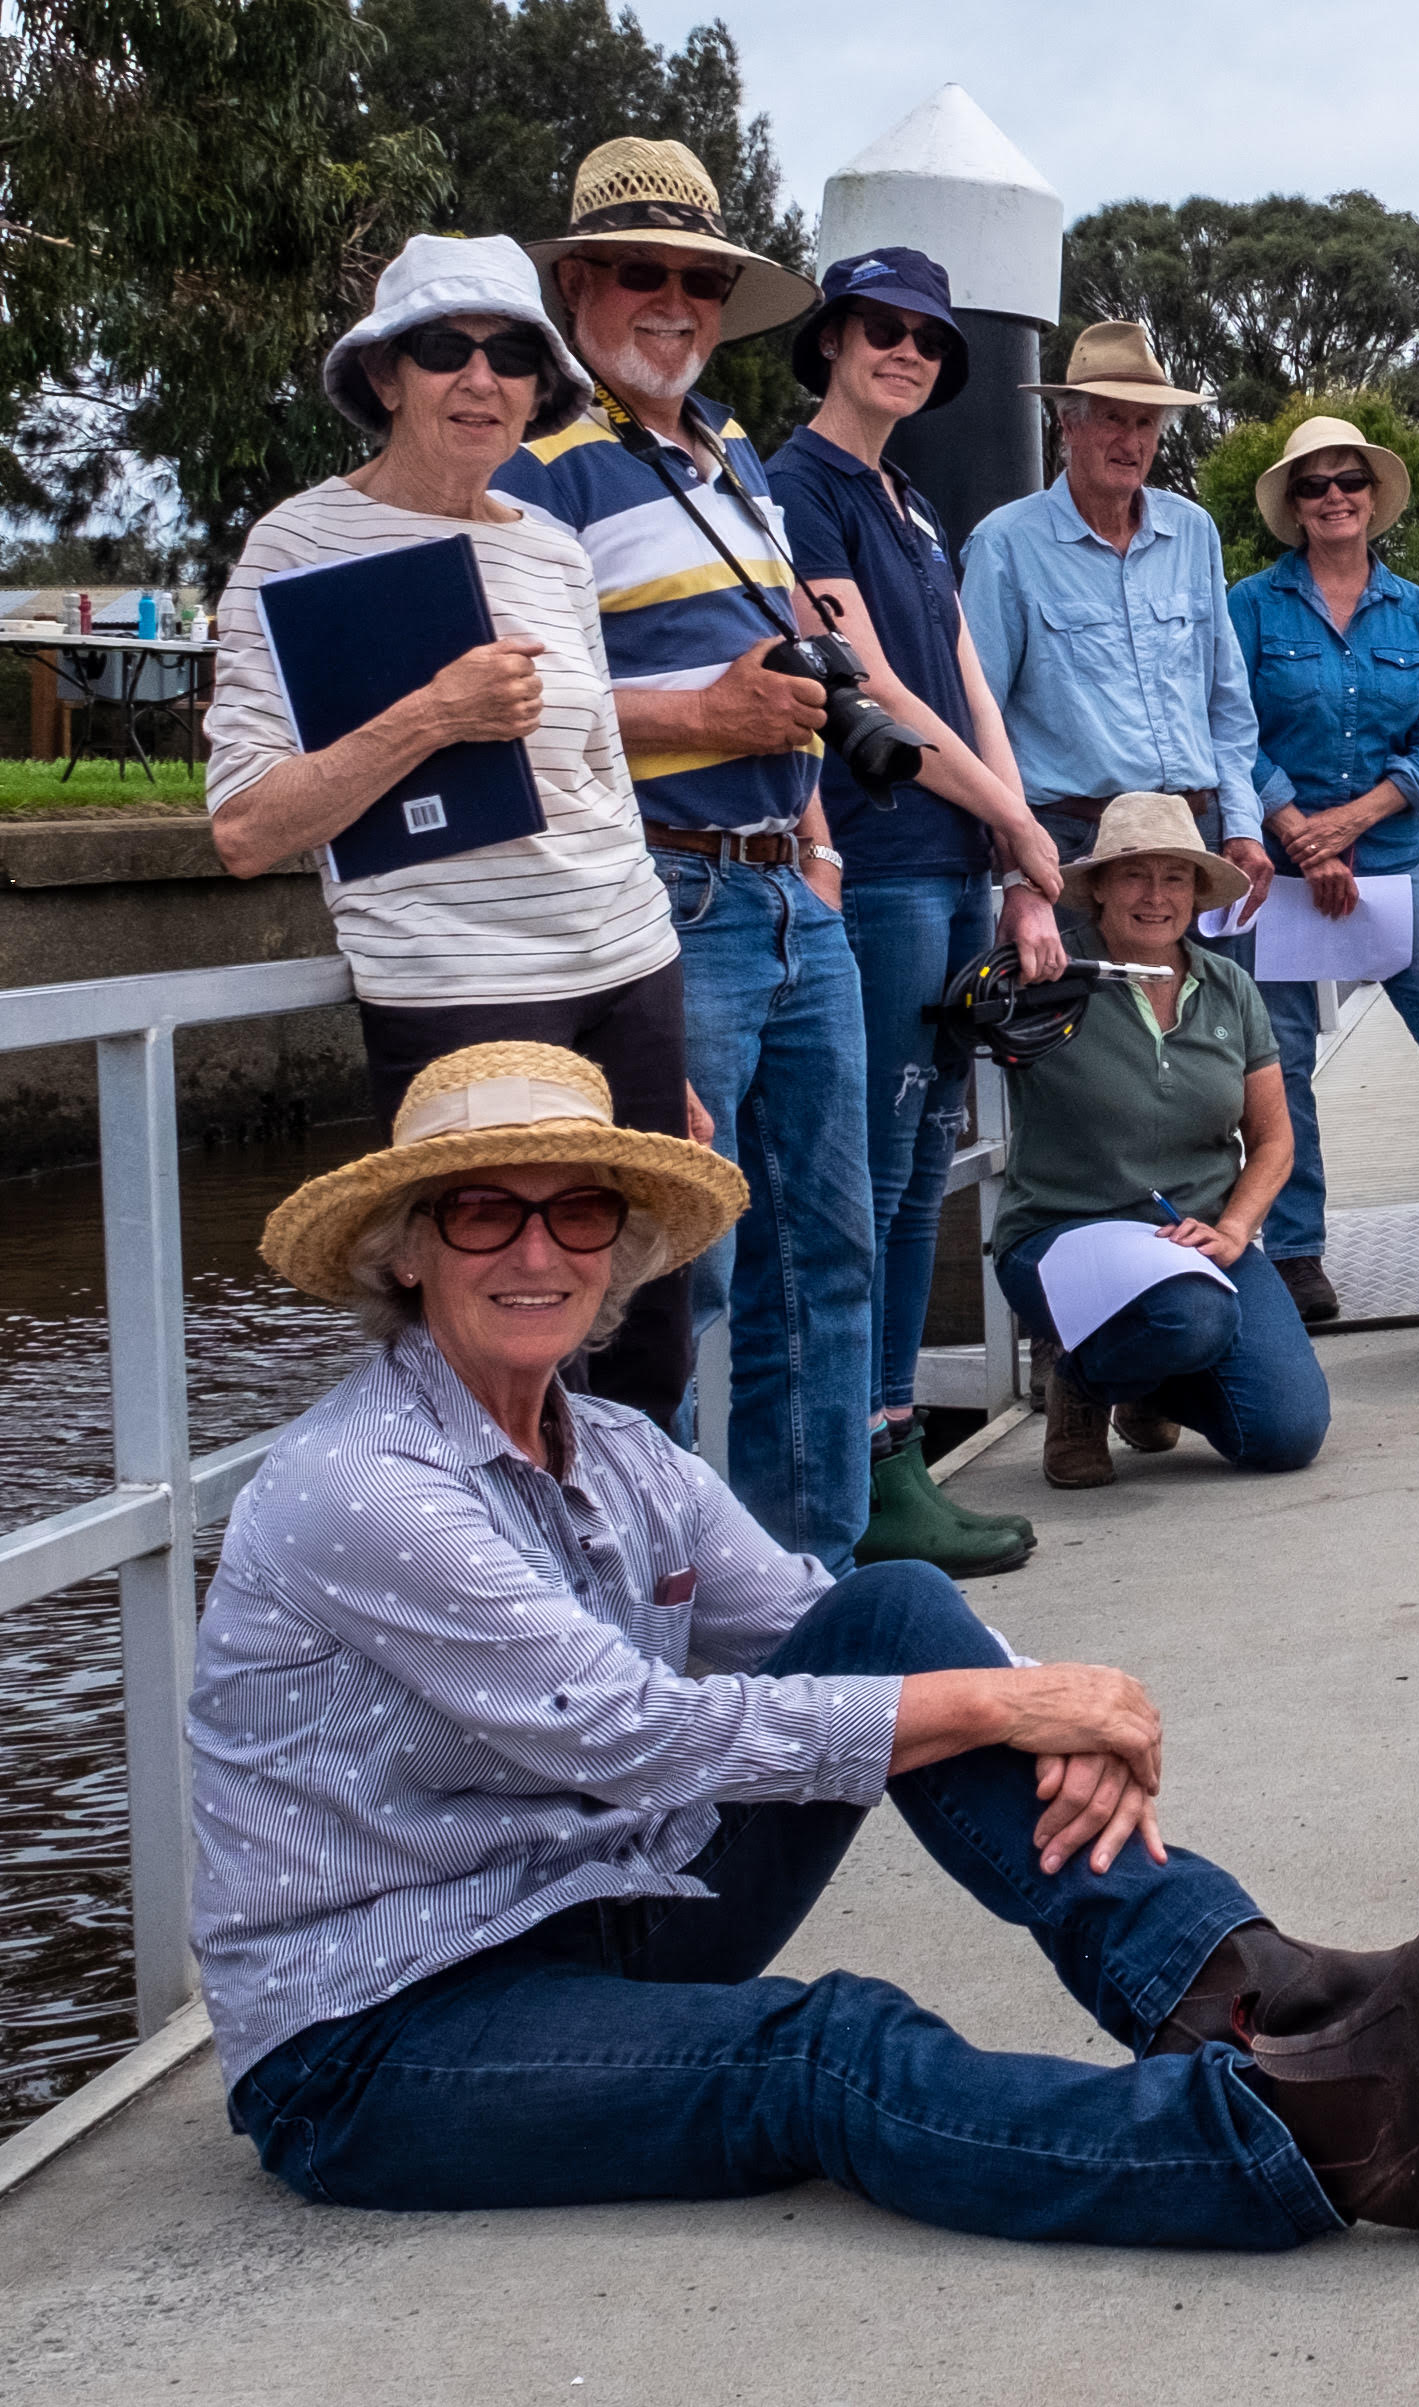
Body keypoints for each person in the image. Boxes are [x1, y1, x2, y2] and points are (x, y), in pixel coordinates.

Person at [197, 1041, 1419, 2245]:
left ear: (616, 1249)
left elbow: (812, 1618)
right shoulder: (365, 1486)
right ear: (408, 1252)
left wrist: (1033, 1700)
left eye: (578, 1210)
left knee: (890, 1609)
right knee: (823, 2050)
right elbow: (629, 1730)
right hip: (378, 2031)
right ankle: (1323, 2135)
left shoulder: (616, 1450)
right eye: (485, 1211)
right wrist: (1011, 1708)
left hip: (595, 1902)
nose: (535, 1249)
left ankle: (1268, 2003)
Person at [203, 232, 696, 1423]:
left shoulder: (552, 550)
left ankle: (631, 1550)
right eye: (444, 349)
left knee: (647, 1341)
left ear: (541, 386)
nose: (481, 379)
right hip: (459, 991)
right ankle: (491, 1554)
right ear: (386, 376)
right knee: (495, 1349)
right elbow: (246, 828)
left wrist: (660, 1053)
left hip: (627, 974)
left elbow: (602, 782)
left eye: (513, 356)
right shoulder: (296, 545)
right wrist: (434, 715)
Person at [490, 136, 871, 1575]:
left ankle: (808, 1586)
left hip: (786, 889)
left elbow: (782, 670)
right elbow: (512, 696)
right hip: (671, 887)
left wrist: (817, 846)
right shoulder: (538, 470)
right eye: (640, 272)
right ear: (576, 286)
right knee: (670, 1278)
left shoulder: (731, 454)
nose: (674, 302)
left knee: (827, 1255)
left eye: (700, 280)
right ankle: (643, 1594)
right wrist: (702, 715)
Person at [767, 246, 1067, 1578]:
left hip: (951, 859)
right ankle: (865, 1465)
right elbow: (870, 682)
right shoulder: (796, 490)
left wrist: (1013, 838)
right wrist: (1015, 819)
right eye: (882, 328)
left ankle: (892, 1451)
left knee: (922, 1167)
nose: (907, 351)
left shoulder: (909, 500)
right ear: (832, 338)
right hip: (880, 860)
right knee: (875, 1173)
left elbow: (958, 667)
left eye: (930, 338)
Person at [986, 794, 1329, 1489]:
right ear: (1098, 888)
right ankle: (1083, 1383)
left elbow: (1273, 1140)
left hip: (1195, 1237)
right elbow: (968, 1003)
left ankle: (1142, 1379)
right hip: (1065, 1232)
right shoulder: (1047, 975)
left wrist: (1234, 1230)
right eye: (1134, 875)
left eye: (1175, 878)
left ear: (1197, 893)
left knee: (1286, 1434)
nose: (1155, 896)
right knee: (1192, 1317)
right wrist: (1016, 910)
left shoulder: (1229, 985)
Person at [1225, 414, 1419, 1325]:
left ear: (1373, 497)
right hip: (1276, 870)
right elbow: (1229, 725)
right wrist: (1295, 830)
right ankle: (1294, 1251)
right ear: (1293, 505)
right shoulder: (1249, 605)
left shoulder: (1418, 611)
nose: (1334, 497)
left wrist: (1351, 822)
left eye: (1349, 481)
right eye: (1315, 484)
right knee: (1277, 1062)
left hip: (1392, 859)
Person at [960, 320, 1269, 900]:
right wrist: (1015, 867)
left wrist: (1243, 824)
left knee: (1210, 968)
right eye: (1112, 418)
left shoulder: (1193, 531)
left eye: (1145, 422)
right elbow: (977, 715)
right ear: (1068, 424)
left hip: (1196, 836)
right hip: (1075, 843)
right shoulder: (1005, 544)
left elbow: (1226, 699)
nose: (1131, 442)